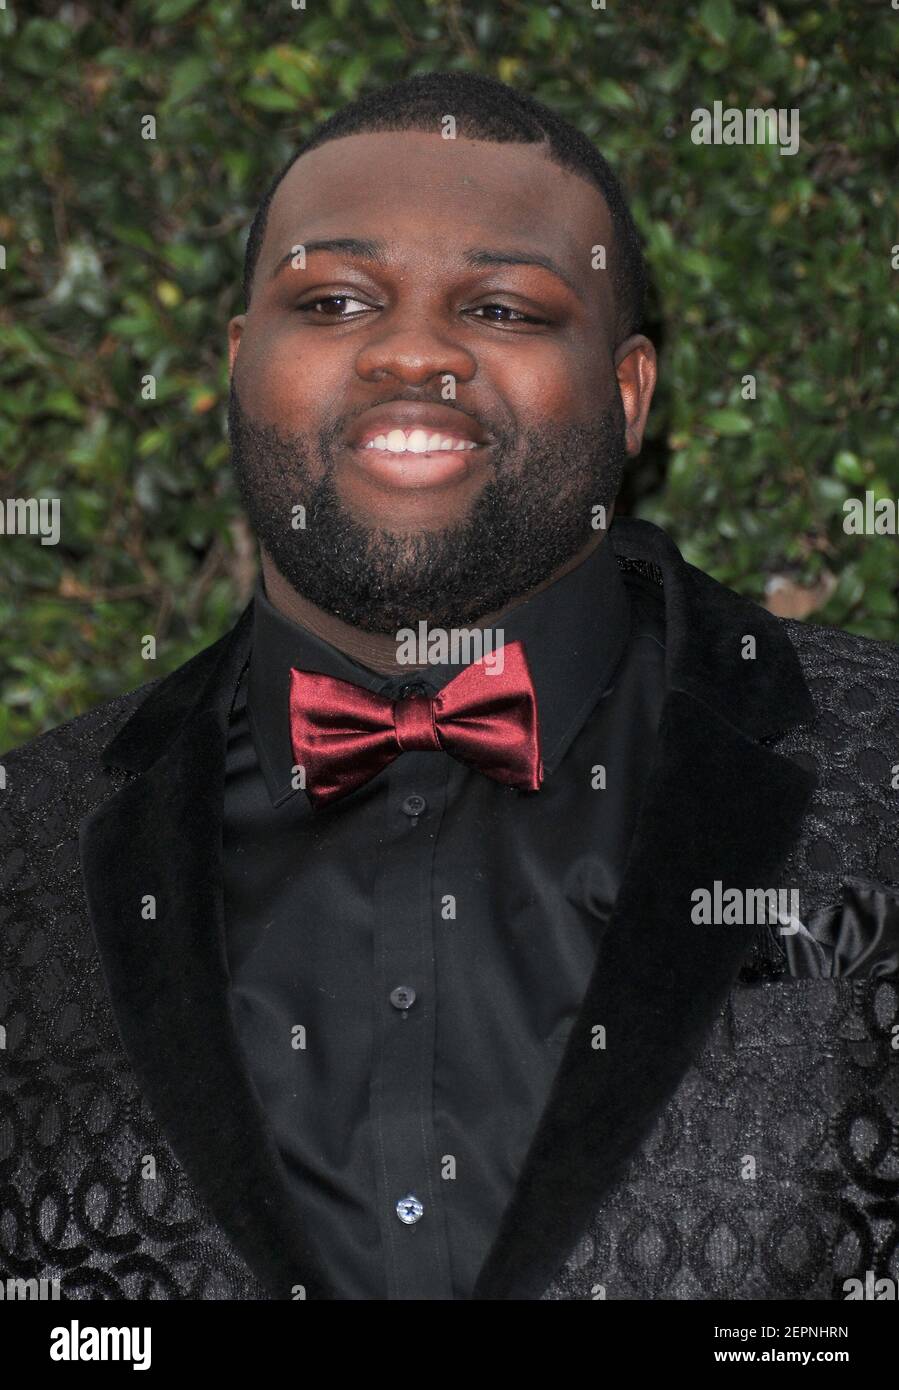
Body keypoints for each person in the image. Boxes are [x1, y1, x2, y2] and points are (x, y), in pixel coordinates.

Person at [1, 71, 897, 1302]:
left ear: (628, 394)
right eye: (331, 298)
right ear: (236, 363)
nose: (412, 350)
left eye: (502, 307)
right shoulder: (21, 838)